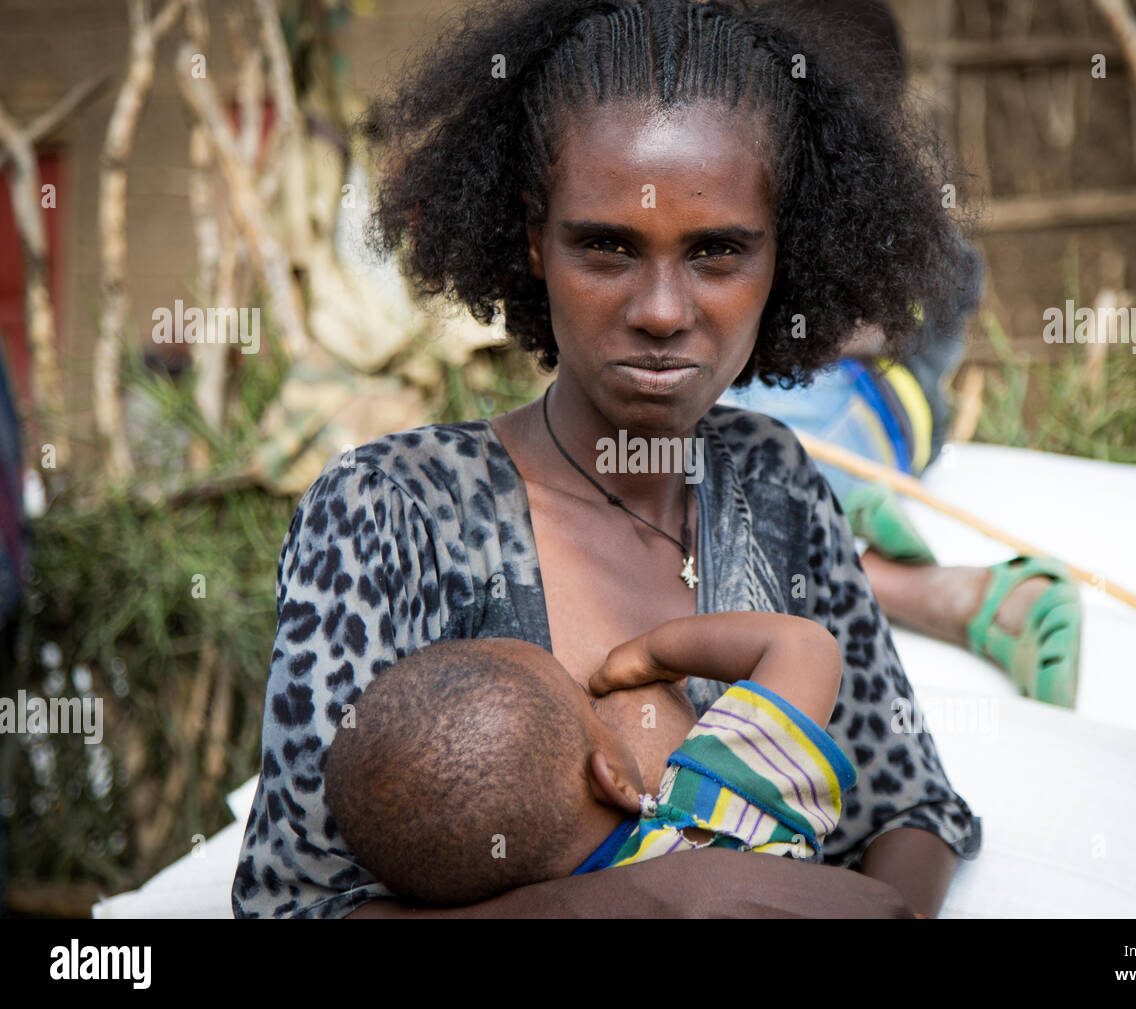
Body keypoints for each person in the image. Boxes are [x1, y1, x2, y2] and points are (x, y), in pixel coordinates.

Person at [233, 0, 980, 919]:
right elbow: (296, 906)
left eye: (717, 251)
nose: (662, 309)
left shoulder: (776, 485)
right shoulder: (386, 513)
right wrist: (654, 900)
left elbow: (908, 808)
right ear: (531, 236)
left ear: (785, 254)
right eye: (605, 246)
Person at [721, 0, 1081, 708]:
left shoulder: (896, 205)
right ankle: (927, 576)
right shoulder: (756, 185)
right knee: (718, 435)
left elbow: (932, 295)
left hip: (871, 401)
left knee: (756, 437)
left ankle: (867, 530)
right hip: (770, 398)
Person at [324, 612, 854, 907]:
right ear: (613, 781)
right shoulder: (709, 820)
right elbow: (802, 647)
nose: (603, 697)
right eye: (589, 701)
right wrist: (651, 653)